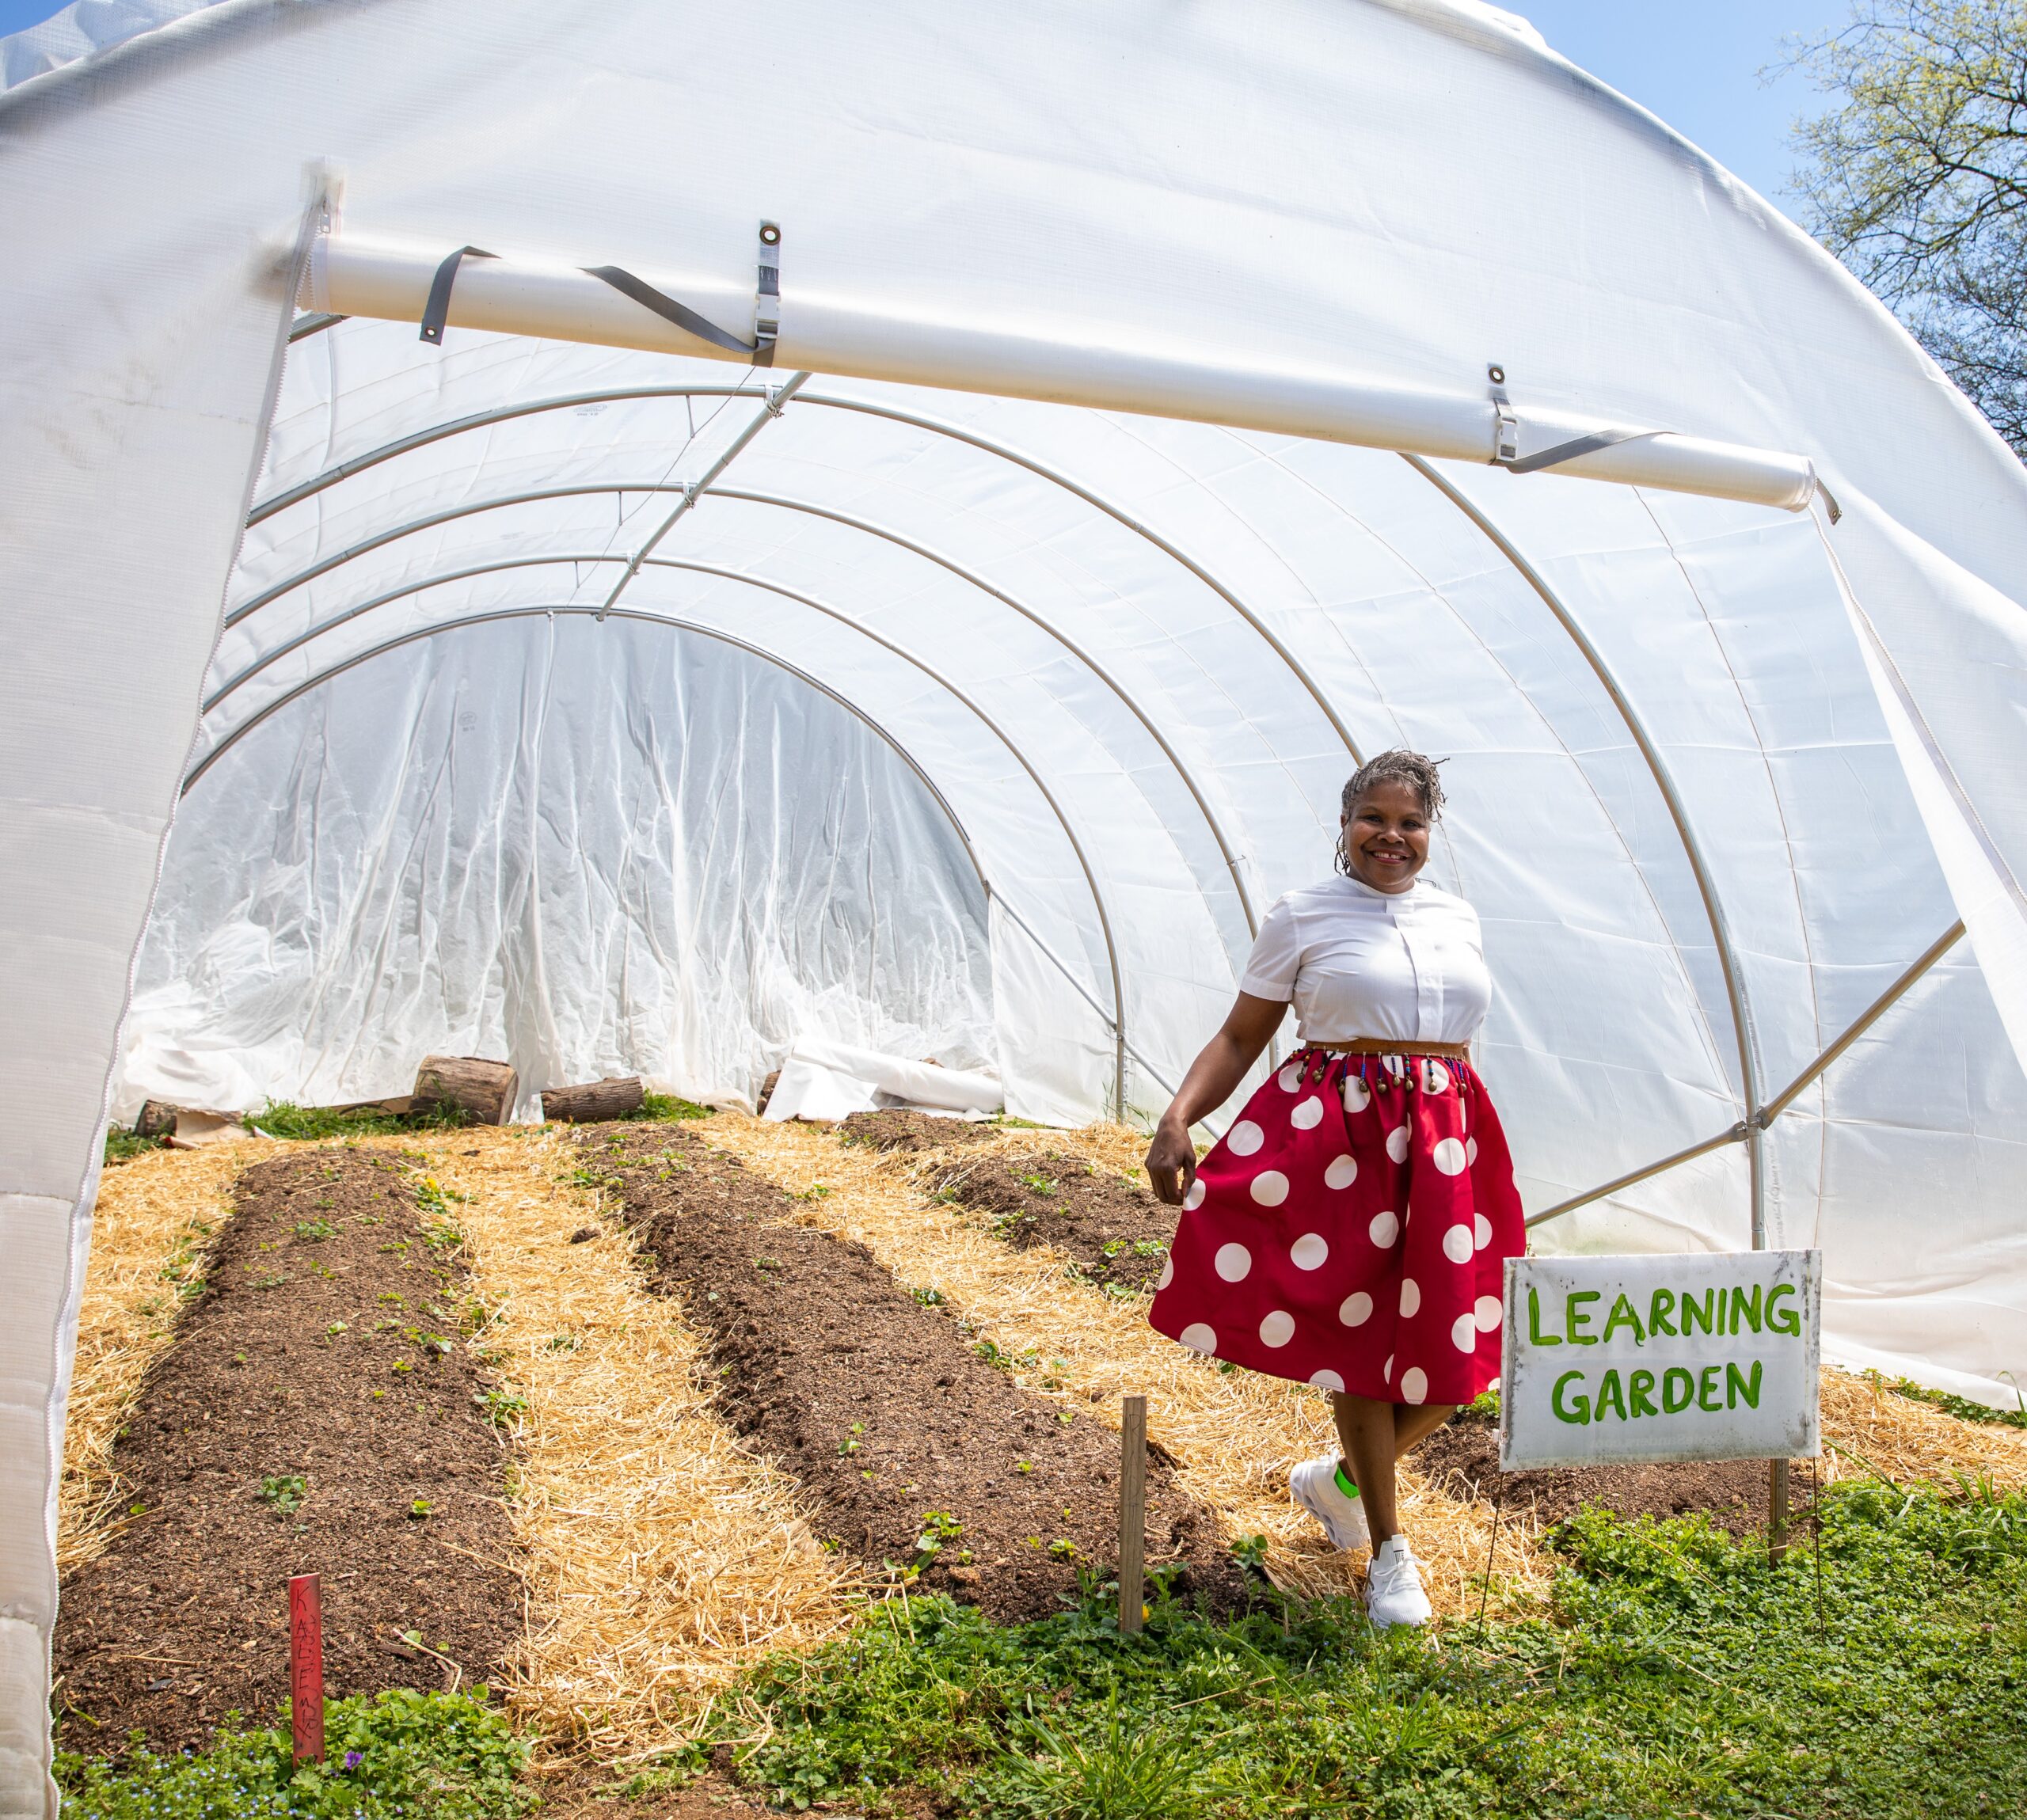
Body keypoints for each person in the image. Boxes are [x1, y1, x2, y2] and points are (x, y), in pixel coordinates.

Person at [1144, 750, 1523, 1628]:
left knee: (1465, 1350)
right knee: (1363, 1339)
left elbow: (1455, 1034)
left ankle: (1341, 1480)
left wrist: (1449, 1128)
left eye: (1411, 822)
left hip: (1444, 1139)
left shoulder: (1457, 916)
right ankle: (1391, 1553)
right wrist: (1179, 1116)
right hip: (1341, 1140)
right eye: (1374, 819)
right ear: (1344, 824)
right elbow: (1242, 1037)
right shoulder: (1303, 914)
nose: (1392, 837)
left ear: (1431, 833)